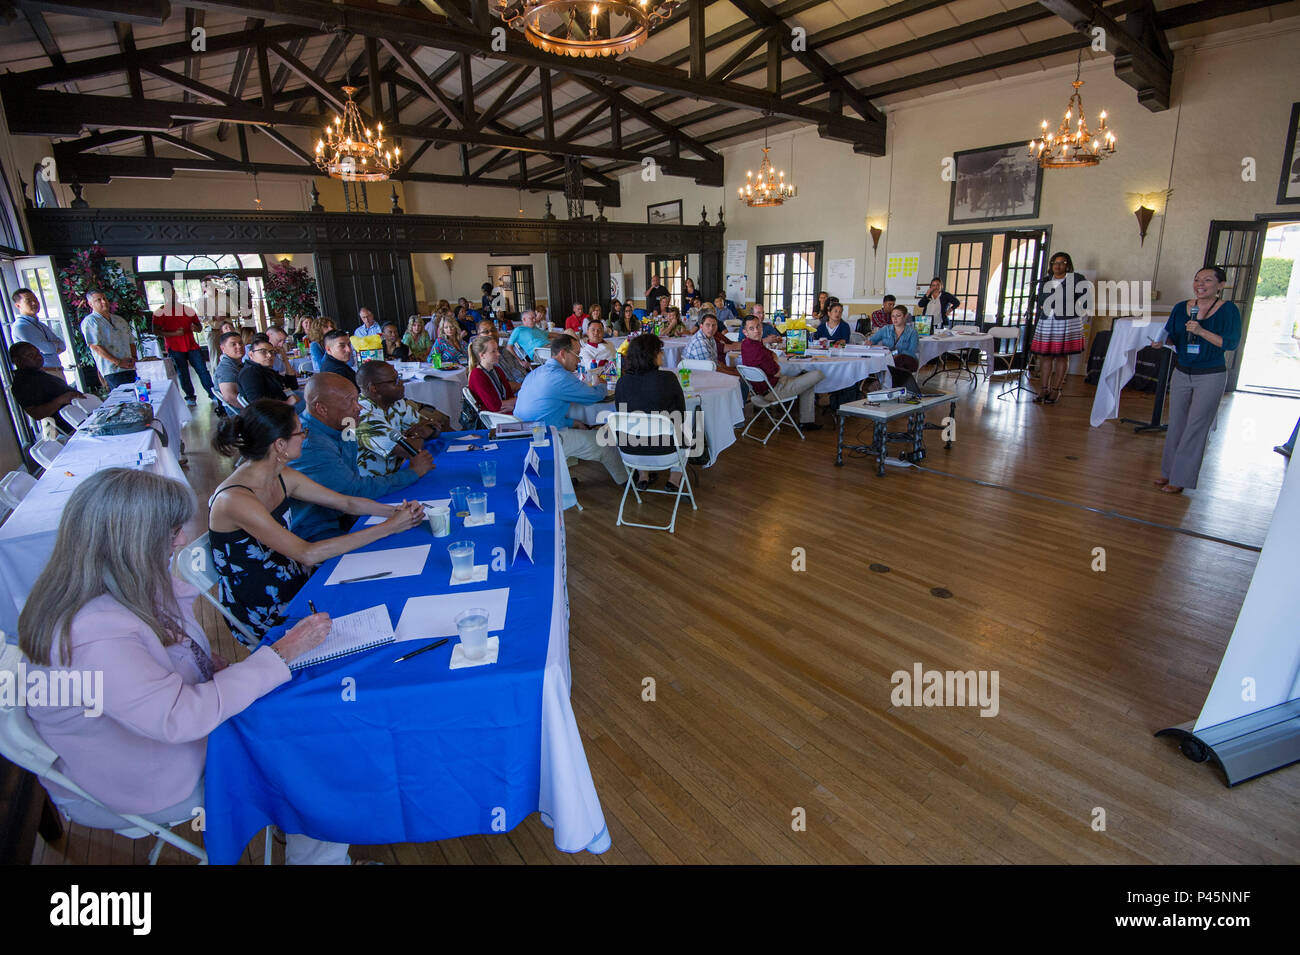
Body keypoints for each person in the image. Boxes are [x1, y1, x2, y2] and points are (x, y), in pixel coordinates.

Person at [18, 467, 355, 865]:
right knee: (318, 757)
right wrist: (281, 653)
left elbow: (160, 670)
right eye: (170, 531)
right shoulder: (93, 632)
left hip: (148, 746)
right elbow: (177, 720)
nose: (181, 540)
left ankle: (302, 831)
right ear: (131, 541)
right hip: (144, 775)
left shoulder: (113, 587)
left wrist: (197, 662)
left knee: (304, 724)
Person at [210, 398, 425, 638]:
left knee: (389, 594)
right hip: (267, 606)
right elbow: (307, 553)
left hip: (298, 579)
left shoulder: (282, 475)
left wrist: (393, 512)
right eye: (301, 432)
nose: (305, 436)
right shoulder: (236, 500)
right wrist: (389, 528)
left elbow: (345, 502)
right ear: (280, 444)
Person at [289, 373, 435, 541]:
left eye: (357, 399)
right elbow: (353, 490)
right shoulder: (308, 444)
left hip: (352, 514)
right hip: (320, 531)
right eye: (349, 401)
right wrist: (413, 473)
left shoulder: (346, 424)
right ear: (321, 408)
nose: (359, 407)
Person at [1148, 267, 1242, 494]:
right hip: (1182, 371)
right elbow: (1173, 335)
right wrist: (1162, 342)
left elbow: (1229, 343)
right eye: (1197, 279)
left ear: (1220, 285)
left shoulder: (1228, 310)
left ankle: (1181, 478)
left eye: (1208, 280)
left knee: (1196, 427)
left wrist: (1201, 331)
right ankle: (1168, 471)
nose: (1200, 284)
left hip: (1210, 375)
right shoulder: (1182, 307)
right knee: (1176, 424)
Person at [512, 334, 626, 482]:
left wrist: (572, 423)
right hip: (546, 439)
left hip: (524, 436)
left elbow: (545, 414)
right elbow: (594, 396)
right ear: (563, 354)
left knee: (583, 427)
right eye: (577, 355)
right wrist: (601, 383)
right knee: (605, 442)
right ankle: (627, 482)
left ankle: (558, 479)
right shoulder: (561, 376)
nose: (579, 360)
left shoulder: (534, 373)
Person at [613, 334, 687, 491]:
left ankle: (643, 475)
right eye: (659, 351)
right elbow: (681, 415)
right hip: (666, 451)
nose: (662, 354)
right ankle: (674, 478)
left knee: (636, 428)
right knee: (690, 427)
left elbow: (621, 414)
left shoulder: (622, 382)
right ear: (651, 355)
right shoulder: (668, 378)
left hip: (630, 451)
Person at [355, 360, 438, 476]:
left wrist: (418, 434)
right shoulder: (362, 416)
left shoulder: (395, 403)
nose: (402, 383)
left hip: (398, 474)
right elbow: (410, 450)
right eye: (395, 381)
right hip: (374, 486)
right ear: (374, 388)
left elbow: (433, 426)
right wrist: (418, 434)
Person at [740, 315, 823, 430]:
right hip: (775, 391)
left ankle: (807, 422)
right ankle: (806, 421)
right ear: (745, 332)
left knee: (807, 380)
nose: (757, 330)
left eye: (758, 326)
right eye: (751, 328)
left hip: (763, 389)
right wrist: (774, 358)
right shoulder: (758, 351)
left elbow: (771, 354)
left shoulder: (746, 344)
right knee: (818, 373)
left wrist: (772, 356)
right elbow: (777, 372)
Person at [1030, 251, 1089, 405]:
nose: (1058, 265)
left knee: (1062, 356)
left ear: (1067, 265)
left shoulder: (1076, 279)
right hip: (1047, 321)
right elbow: (1041, 300)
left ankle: (1056, 390)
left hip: (1067, 322)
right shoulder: (1045, 281)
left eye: (1062, 262)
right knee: (1045, 356)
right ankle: (1044, 388)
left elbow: (1086, 301)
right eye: (1055, 262)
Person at [9, 342, 85, 436]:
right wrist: (61, 400)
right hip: (71, 428)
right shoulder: (22, 383)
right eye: (31, 355)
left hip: (80, 418)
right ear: (17, 360)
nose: (38, 357)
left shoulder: (37, 373)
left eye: (38, 353)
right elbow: (36, 414)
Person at [80, 289, 136, 389]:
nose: (104, 302)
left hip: (130, 366)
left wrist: (134, 358)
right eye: (98, 300)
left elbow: (131, 341)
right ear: (90, 304)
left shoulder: (118, 319)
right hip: (113, 370)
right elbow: (95, 346)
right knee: (124, 400)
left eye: (104, 298)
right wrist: (118, 362)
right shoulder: (91, 321)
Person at [11, 288, 66, 377]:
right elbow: (47, 349)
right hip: (42, 373)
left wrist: (52, 347)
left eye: (35, 299)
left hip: (56, 371)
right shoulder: (21, 326)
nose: (34, 303)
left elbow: (62, 345)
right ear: (18, 305)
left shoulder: (40, 324)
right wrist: (53, 347)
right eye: (28, 301)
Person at [239, 334, 299, 406]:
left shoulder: (266, 369)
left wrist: (284, 358)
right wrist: (287, 403)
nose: (269, 355)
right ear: (251, 355)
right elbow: (258, 405)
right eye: (263, 351)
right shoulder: (249, 372)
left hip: (285, 402)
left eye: (271, 352)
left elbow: (292, 385)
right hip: (279, 412)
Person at [467, 334, 519, 415]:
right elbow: (494, 406)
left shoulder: (497, 370)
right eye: (493, 351)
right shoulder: (477, 375)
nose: (498, 354)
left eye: (497, 350)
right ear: (482, 355)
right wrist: (519, 400)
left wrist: (513, 404)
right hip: (495, 417)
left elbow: (509, 395)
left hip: (507, 410)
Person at [870, 305, 921, 387]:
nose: (895, 319)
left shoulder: (912, 332)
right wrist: (868, 343)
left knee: (896, 361)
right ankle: (877, 384)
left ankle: (890, 387)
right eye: (893, 316)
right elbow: (872, 340)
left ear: (905, 317)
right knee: (879, 361)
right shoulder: (886, 329)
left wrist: (897, 354)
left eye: (898, 316)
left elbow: (912, 351)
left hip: (906, 360)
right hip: (888, 358)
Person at [477, 320, 529, 385]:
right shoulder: (484, 359)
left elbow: (521, 370)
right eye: (486, 331)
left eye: (493, 330)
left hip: (527, 382)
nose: (491, 333)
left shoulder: (505, 351)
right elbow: (502, 387)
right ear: (478, 336)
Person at [213, 331, 246, 412]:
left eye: (240, 343)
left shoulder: (237, 363)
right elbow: (230, 398)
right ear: (223, 348)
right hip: (240, 413)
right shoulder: (226, 368)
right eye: (233, 344)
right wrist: (256, 410)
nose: (239, 346)